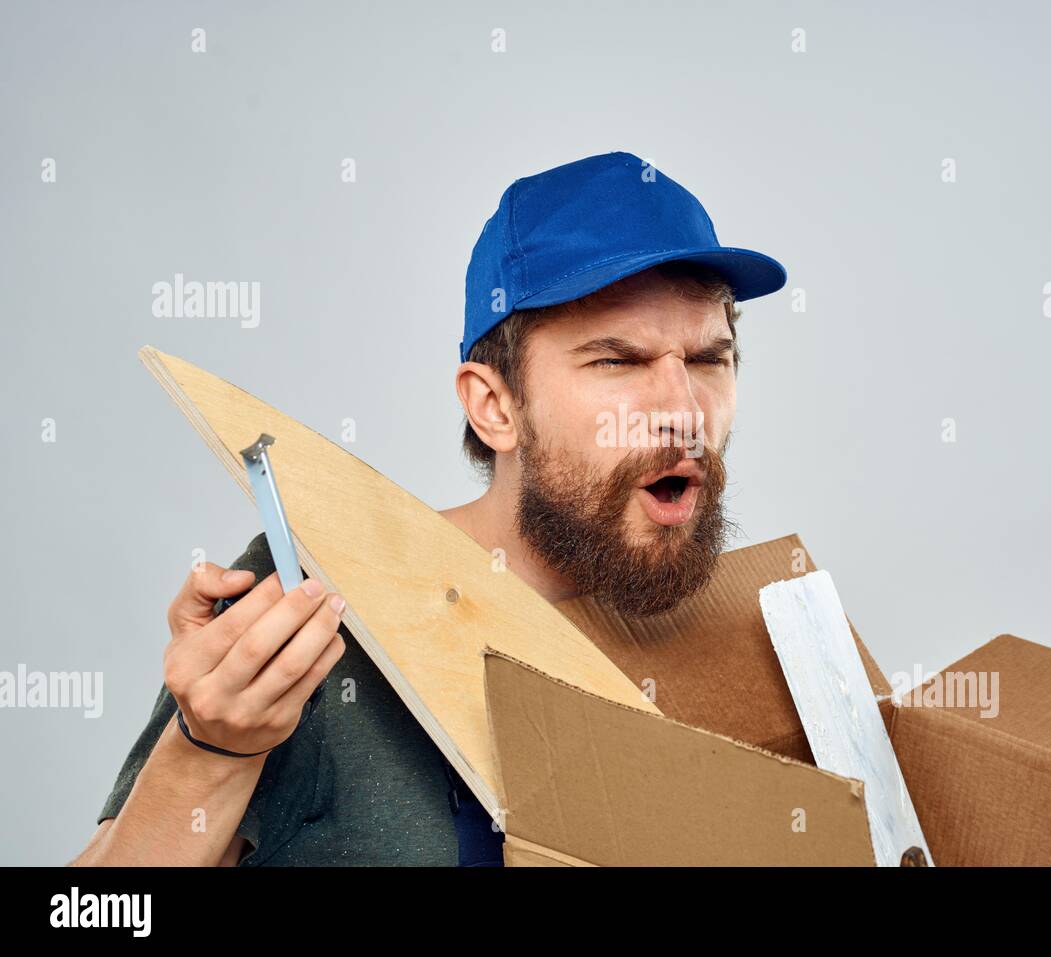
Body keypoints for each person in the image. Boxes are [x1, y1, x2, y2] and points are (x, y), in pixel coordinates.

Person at [71, 150, 786, 866]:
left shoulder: (750, 645)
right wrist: (208, 751)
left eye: (707, 360)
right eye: (617, 361)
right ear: (494, 405)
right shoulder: (312, 596)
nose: (684, 413)